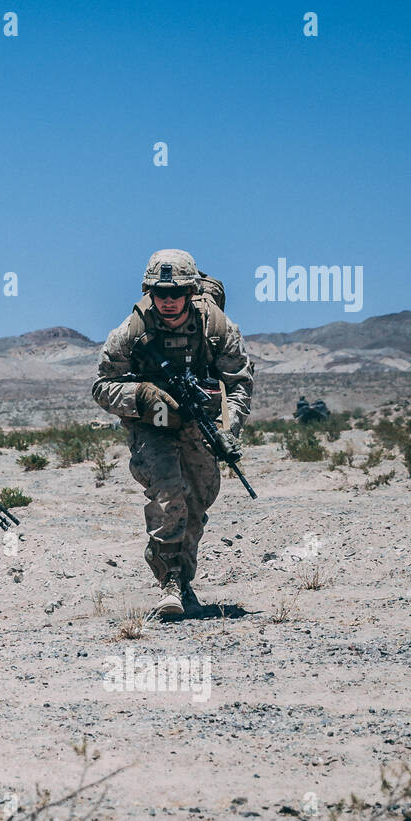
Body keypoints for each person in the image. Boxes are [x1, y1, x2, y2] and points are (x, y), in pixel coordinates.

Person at [92, 250, 255, 617]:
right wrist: (142, 396)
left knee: (197, 501)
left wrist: (229, 429)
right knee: (169, 494)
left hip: (199, 423)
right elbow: (102, 387)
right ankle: (169, 581)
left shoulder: (217, 328)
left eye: (176, 293)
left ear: (192, 292)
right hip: (153, 426)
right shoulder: (130, 332)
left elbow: (239, 383)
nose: (167, 301)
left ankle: (182, 582)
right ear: (149, 291)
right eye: (159, 293)